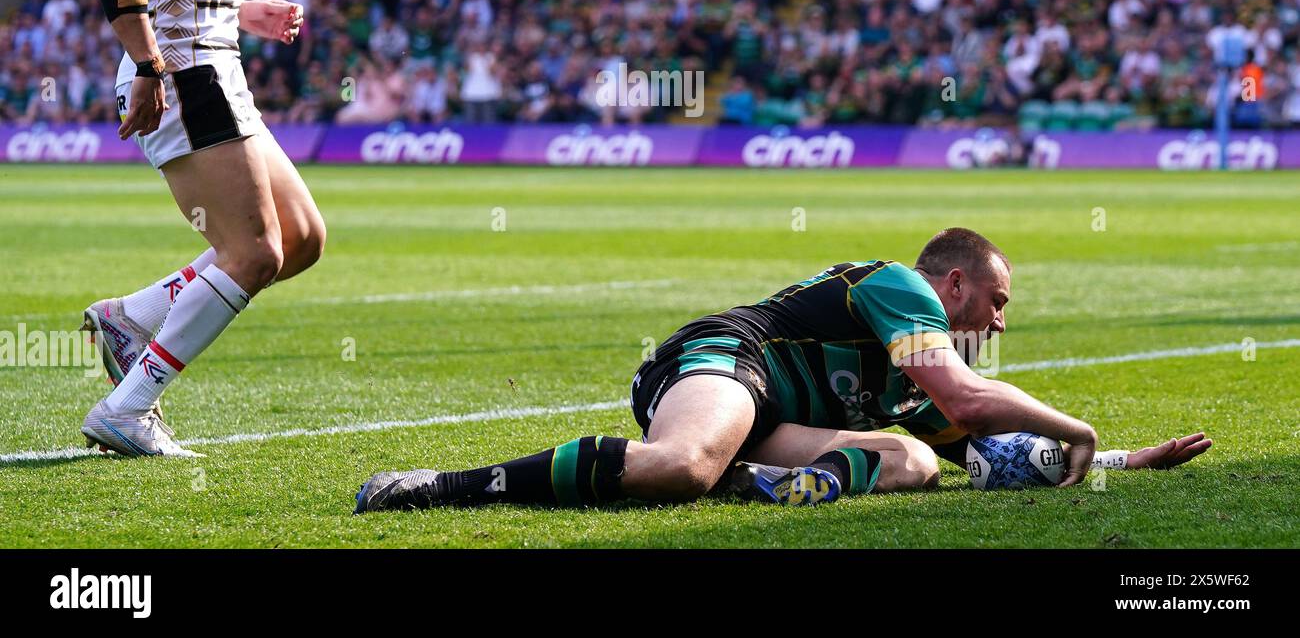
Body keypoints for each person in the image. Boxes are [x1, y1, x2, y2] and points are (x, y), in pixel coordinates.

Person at [355, 228, 1209, 510]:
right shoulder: (902, 289)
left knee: (911, 459)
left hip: (770, 422)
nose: (1000, 318)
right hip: (725, 358)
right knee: (680, 466)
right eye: (994, 299)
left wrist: (1127, 460)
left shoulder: (912, 373)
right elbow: (974, 401)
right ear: (952, 282)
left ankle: (753, 479)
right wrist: (1080, 429)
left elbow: (974, 447)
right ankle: (441, 486)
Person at [80, 0, 326, 457]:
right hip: (187, 75)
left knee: (302, 239)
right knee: (252, 253)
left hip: (211, 63)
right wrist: (152, 64)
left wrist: (242, 11)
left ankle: (132, 317)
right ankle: (129, 405)